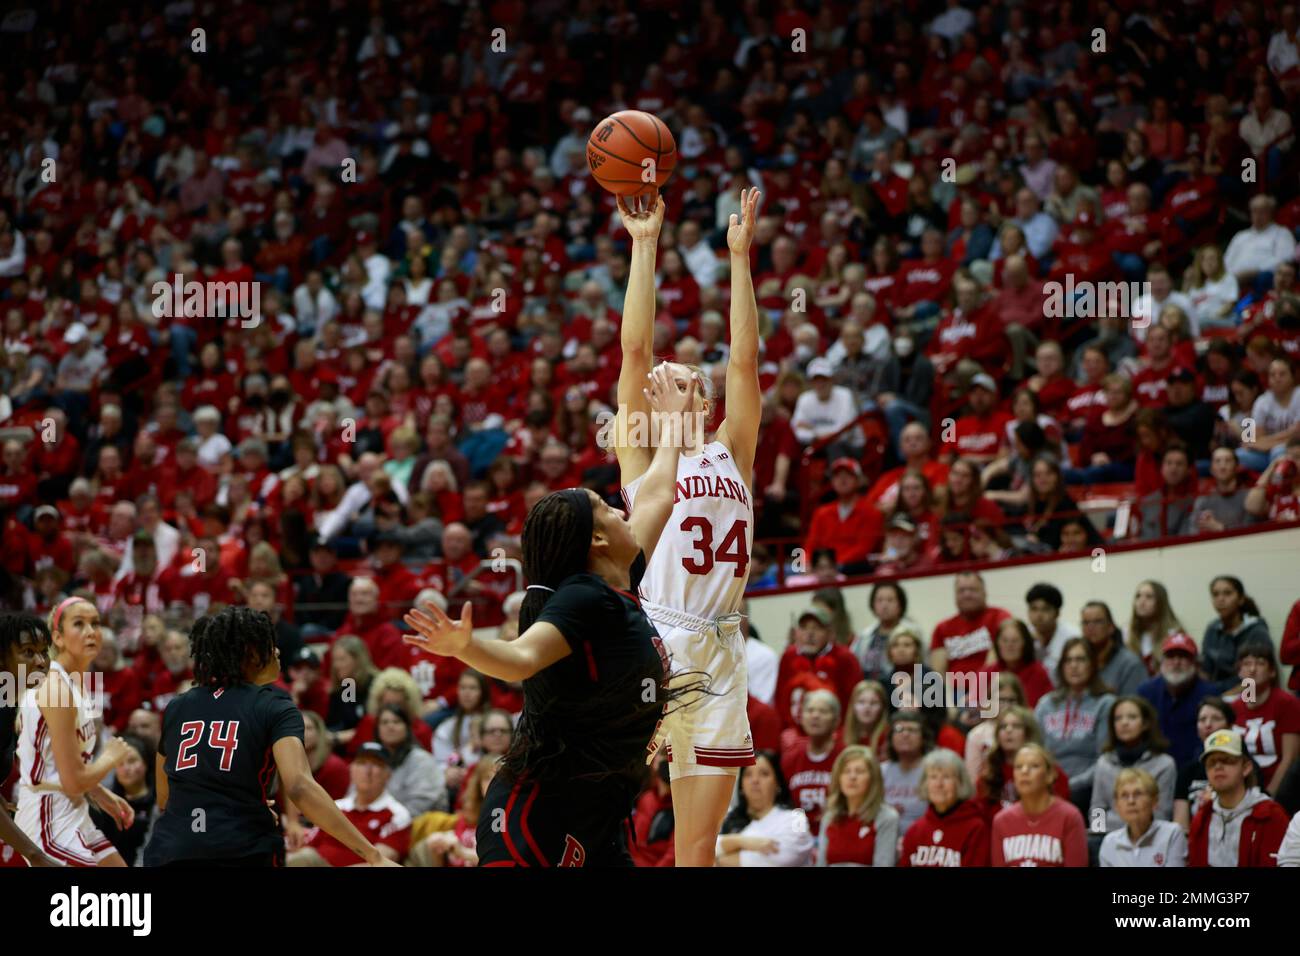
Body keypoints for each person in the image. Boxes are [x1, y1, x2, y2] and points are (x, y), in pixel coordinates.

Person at [402, 363, 699, 867]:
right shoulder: (585, 596)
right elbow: (520, 659)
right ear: (599, 540)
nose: (623, 510)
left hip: (599, 816)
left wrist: (672, 423)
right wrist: (465, 647)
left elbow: (659, 496)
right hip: (538, 816)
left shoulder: (620, 580)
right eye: (608, 508)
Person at [613, 188, 765, 867]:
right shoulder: (642, 450)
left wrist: (740, 260)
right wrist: (644, 245)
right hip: (654, 637)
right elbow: (636, 348)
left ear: (703, 398)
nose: (666, 379)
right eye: (662, 379)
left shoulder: (734, 447)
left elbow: (744, 362)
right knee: (594, 808)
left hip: (722, 648)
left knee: (696, 849)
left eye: (685, 377)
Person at [144, 607, 398, 867]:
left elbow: (165, 797)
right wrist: (372, 855)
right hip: (240, 850)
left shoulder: (178, 706)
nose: (277, 651)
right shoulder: (275, 705)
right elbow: (299, 787)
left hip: (170, 850)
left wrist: (241, 801)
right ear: (252, 653)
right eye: (270, 644)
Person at [15, 598, 134, 867]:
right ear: (57, 637)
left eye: (95, 623)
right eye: (79, 624)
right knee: (90, 908)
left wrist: (100, 793)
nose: (91, 631)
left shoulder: (77, 684)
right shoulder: (57, 689)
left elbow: (65, 762)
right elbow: (70, 780)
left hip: (73, 807)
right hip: (47, 813)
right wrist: (110, 759)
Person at [287, 742, 412, 866]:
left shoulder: (397, 814)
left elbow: (382, 863)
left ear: (388, 774)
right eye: (361, 763)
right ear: (351, 769)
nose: (367, 771)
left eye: (376, 764)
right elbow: (308, 846)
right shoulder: (336, 806)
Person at [1187, 729, 1290, 867]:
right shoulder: (1202, 817)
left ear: (1246, 767)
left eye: (1227, 760)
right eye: (1211, 763)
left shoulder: (1271, 815)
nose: (1218, 766)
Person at [0, 612, 55, 866]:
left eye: (44, 651)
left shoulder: (9, 702)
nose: (42, 661)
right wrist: (36, 856)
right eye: (28, 652)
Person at [1035, 637, 1116, 808]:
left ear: (1092, 665)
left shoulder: (1106, 703)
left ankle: (1098, 832)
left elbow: (1104, 759)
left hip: (1092, 791)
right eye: (1068, 660)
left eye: (1080, 659)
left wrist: (1070, 785)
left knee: (1097, 825)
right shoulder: (1046, 704)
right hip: (1049, 787)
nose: (1074, 665)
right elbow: (1035, 751)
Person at [991, 743, 1088, 867]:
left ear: (1050, 775)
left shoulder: (1070, 816)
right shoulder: (1001, 820)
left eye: (1034, 766)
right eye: (1018, 767)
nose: (1024, 771)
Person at [1090, 696, 1178, 831]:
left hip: (1151, 839)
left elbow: (1161, 815)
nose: (1124, 723)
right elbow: (1097, 810)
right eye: (1118, 718)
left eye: (1132, 717)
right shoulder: (1104, 764)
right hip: (1107, 839)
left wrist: (1121, 825)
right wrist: (1100, 835)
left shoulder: (1164, 764)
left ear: (1145, 724)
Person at [715, 751, 814, 866]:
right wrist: (742, 841)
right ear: (741, 786)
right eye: (748, 774)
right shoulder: (727, 817)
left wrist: (718, 860)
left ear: (778, 783)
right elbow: (704, 847)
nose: (755, 780)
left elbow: (782, 858)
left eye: (764, 774)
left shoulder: (797, 818)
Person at [1137, 632, 1221, 767]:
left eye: (1183, 656)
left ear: (1195, 663)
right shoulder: (1145, 693)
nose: (1176, 662)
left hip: (1196, 768)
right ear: (1162, 662)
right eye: (1170, 657)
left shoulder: (1211, 694)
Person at [899, 749, 990, 867]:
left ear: (960, 783)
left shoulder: (976, 828)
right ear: (925, 783)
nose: (939, 784)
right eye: (933, 777)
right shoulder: (914, 831)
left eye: (946, 777)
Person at [1231, 639, 1300, 795]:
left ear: (1272, 671)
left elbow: (1290, 759)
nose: (1253, 669)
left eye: (1260, 663)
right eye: (1247, 664)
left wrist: (1269, 795)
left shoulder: (1287, 704)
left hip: (1281, 792)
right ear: (1239, 671)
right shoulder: (1234, 707)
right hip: (1241, 792)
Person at [776, 606, 863, 726]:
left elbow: (854, 702)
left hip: (836, 732)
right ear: (796, 632)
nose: (810, 634)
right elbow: (780, 699)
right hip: (794, 732)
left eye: (817, 628)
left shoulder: (845, 658)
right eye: (804, 628)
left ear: (830, 633)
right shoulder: (788, 657)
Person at [816, 745, 899, 866]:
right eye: (846, 771)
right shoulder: (830, 817)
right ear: (838, 778)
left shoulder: (887, 817)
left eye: (859, 771)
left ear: (873, 778)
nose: (852, 777)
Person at [780, 689, 846, 834]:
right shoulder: (790, 758)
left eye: (823, 711)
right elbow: (785, 804)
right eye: (810, 710)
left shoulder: (846, 757)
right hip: (798, 835)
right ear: (802, 717)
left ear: (836, 720)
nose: (815, 716)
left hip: (836, 832)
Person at [1099, 768, 1188, 867]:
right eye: (1124, 795)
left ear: (1154, 801)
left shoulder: (1172, 834)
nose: (1131, 801)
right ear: (1117, 805)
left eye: (1138, 794)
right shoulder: (1109, 843)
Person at [1173, 697, 1239, 830]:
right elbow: (1181, 827)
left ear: (1230, 726)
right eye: (1202, 719)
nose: (1208, 724)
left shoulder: (1243, 764)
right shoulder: (1187, 771)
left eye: (1216, 719)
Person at [929, 572, 1011, 677]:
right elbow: (938, 673)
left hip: (990, 685)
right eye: (961, 591)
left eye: (973, 589)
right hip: (954, 690)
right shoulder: (942, 628)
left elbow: (995, 663)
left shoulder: (999, 617)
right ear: (955, 595)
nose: (967, 595)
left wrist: (977, 690)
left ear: (984, 592)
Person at [1201, 575, 1271, 692]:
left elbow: (1255, 678)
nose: (1220, 599)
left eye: (1227, 593)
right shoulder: (1212, 629)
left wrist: (1223, 698)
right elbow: (1205, 670)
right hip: (1214, 692)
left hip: (1248, 693)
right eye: (1215, 594)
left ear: (1240, 599)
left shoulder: (1256, 631)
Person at [374, 704, 447, 816]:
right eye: (384, 722)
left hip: (419, 825)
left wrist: (385, 822)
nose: (390, 726)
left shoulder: (421, 760)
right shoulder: (372, 759)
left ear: (407, 728)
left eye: (396, 722)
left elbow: (421, 804)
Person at [881, 709, 933, 833]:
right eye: (899, 730)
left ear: (923, 737)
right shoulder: (880, 771)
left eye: (912, 730)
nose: (905, 734)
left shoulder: (933, 770)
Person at [851, 582, 915, 684]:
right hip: (870, 692)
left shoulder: (912, 633)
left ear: (900, 604)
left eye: (890, 600)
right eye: (879, 600)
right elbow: (853, 666)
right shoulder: (865, 636)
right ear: (873, 605)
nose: (884, 605)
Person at [1080, 601, 1146, 696]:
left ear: (1111, 627)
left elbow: (1133, 706)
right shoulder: (1078, 661)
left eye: (1097, 621)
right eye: (1085, 623)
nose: (1090, 627)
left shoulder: (1130, 664)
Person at [982, 617, 1053, 707]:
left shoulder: (1039, 672)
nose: (1009, 645)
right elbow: (972, 705)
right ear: (997, 644)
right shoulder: (988, 672)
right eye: (1005, 641)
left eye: (1015, 641)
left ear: (1025, 643)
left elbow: (1048, 710)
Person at [1127, 580, 1184, 672]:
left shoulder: (1174, 635)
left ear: (1161, 603)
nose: (1141, 601)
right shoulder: (1126, 634)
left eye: (1149, 597)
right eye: (1138, 596)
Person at [1025, 582, 1078, 680]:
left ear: (1057, 613)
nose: (1039, 615)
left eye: (1045, 609)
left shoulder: (1073, 637)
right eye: (1034, 609)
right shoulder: (1022, 635)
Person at [843, 680, 891, 762]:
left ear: (882, 708)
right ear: (853, 706)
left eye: (874, 703)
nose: (867, 708)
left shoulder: (889, 737)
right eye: (861, 702)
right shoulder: (841, 735)